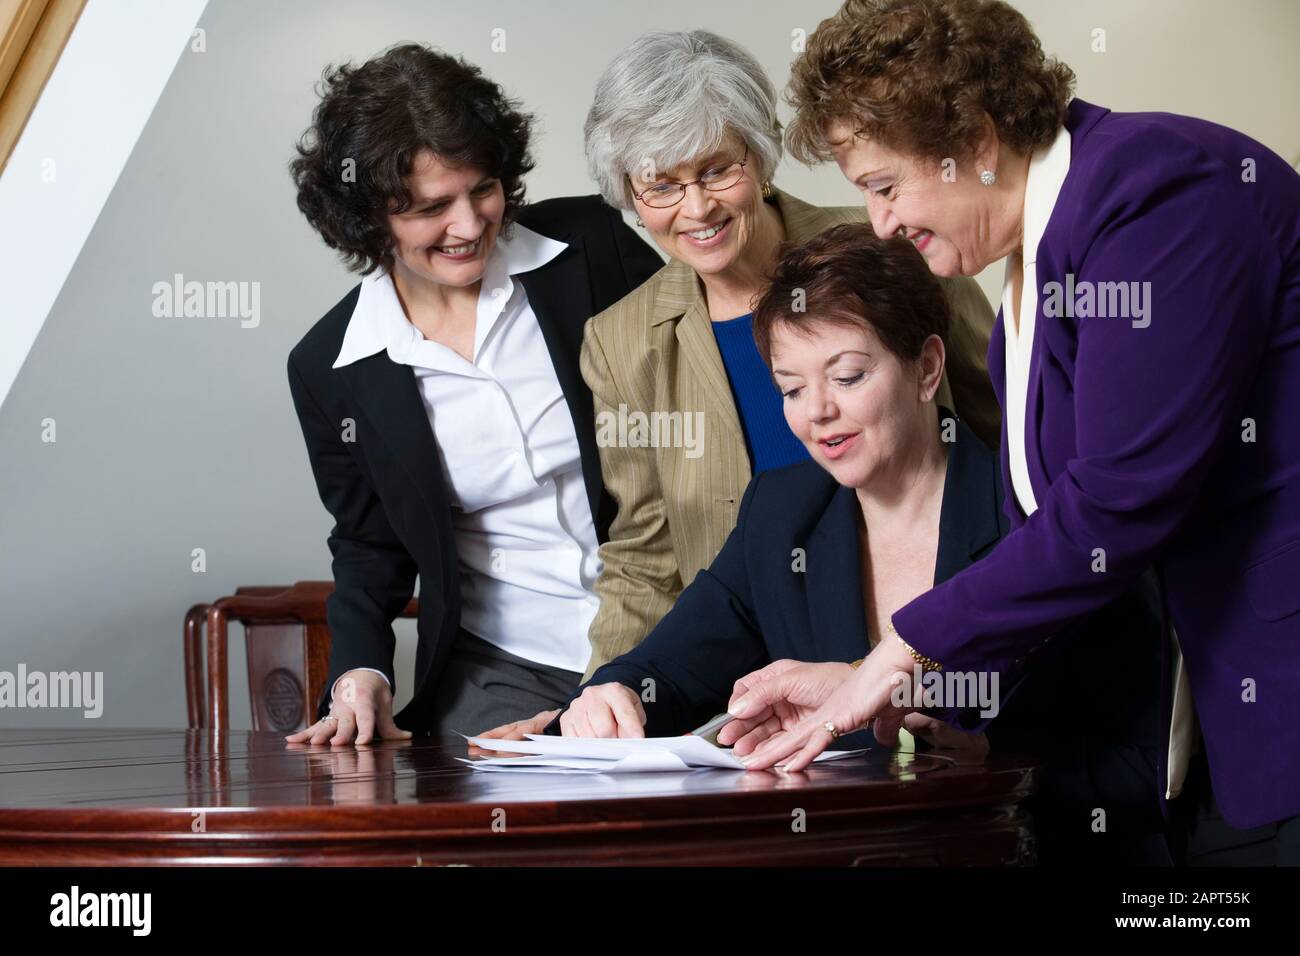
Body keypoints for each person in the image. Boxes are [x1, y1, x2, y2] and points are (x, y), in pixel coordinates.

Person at [730, 0, 1300, 864]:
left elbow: (1115, 507)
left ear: (979, 139)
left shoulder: (1158, 194)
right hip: (1201, 734)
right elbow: (1052, 553)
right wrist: (905, 686)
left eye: (887, 186)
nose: (882, 222)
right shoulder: (1026, 286)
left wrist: (898, 653)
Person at [538, 226, 1171, 864]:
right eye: (790, 388)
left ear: (927, 368)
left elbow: (1147, 770)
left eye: (846, 376)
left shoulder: (1046, 517)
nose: (816, 412)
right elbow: (664, 669)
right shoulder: (781, 513)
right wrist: (610, 694)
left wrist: (986, 750)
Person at [476, 30, 1000, 744]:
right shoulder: (623, 341)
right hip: (743, 691)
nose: (695, 209)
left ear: (758, 155)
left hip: (941, 647)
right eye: (659, 185)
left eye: (717, 170)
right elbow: (646, 558)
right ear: (630, 195)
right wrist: (594, 711)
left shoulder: (895, 244)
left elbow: (1013, 435)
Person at [284, 44, 661, 745]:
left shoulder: (593, 249)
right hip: (503, 665)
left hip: (663, 632)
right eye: (432, 207)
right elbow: (369, 543)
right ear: (370, 219)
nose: (470, 224)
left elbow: (706, 407)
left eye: (482, 189)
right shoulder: (330, 368)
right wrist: (360, 670)